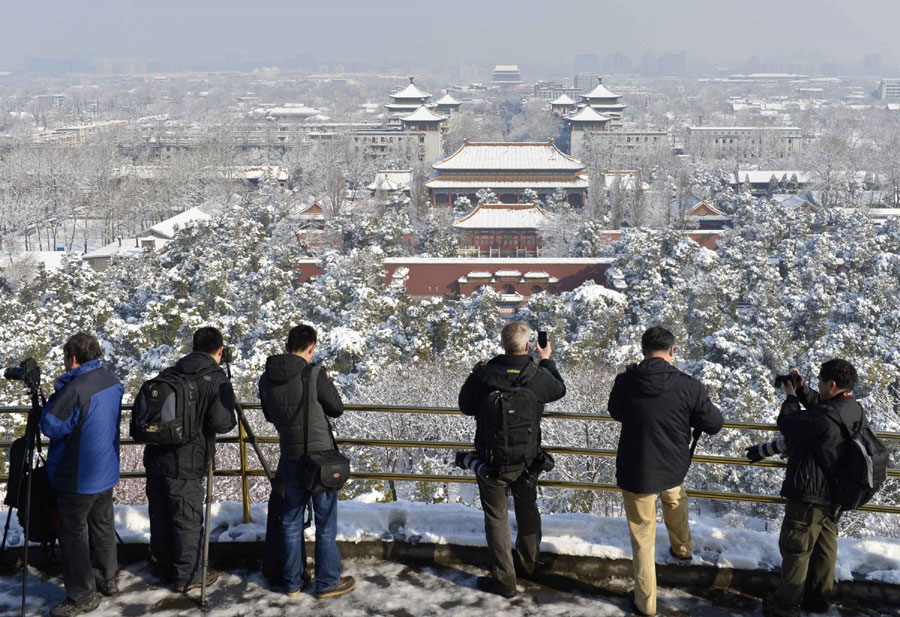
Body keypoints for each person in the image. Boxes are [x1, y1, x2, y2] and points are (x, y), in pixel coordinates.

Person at [608, 326, 723, 617]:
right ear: (672, 351)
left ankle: (646, 604)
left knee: (642, 537)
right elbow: (714, 423)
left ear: (644, 351)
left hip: (637, 469)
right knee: (675, 499)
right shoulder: (689, 386)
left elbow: (616, 412)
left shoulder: (625, 381)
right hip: (673, 465)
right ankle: (682, 549)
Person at [458, 321, 566, 598]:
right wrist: (546, 361)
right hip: (527, 460)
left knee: (496, 518)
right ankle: (529, 563)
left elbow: (465, 406)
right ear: (528, 345)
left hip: (491, 460)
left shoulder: (484, 374)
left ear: (502, 344)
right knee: (527, 509)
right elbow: (559, 390)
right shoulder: (536, 375)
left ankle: (505, 580)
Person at [258, 324, 354, 599]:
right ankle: (326, 584)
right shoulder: (313, 374)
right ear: (311, 347)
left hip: (290, 456)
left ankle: (292, 583)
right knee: (325, 522)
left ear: (287, 347)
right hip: (321, 460)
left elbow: (269, 415)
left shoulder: (267, 379)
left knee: (290, 519)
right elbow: (336, 408)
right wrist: (325, 381)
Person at [762, 360, 864, 617]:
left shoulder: (824, 416)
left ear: (832, 384)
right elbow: (821, 410)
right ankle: (818, 600)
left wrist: (791, 397)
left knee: (796, 549)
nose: (817, 384)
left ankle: (784, 605)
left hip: (809, 493)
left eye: (820, 381)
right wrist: (804, 390)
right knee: (824, 550)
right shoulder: (852, 408)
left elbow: (788, 424)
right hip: (835, 494)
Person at [143, 327, 237, 592]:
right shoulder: (216, 379)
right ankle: (189, 576)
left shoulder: (171, 371)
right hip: (186, 459)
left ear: (193, 347)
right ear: (220, 350)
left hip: (155, 454)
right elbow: (221, 423)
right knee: (186, 518)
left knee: (160, 514)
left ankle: (163, 565)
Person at [39, 333, 124, 617]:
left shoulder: (75, 390)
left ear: (73, 358)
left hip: (78, 475)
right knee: (101, 524)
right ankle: (107, 579)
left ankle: (82, 596)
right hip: (106, 469)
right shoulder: (111, 381)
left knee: (73, 534)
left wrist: (59, 391)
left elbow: (51, 426)